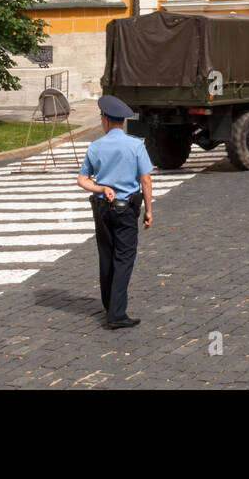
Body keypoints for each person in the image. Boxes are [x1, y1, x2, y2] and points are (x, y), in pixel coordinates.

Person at [77, 94, 154, 330]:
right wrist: (149, 210)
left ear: (105, 120)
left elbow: (82, 180)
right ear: (120, 121)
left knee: (106, 256)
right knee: (124, 259)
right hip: (126, 209)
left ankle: (109, 303)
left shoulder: (95, 146)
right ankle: (117, 314)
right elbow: (146, 180)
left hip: (102, 209)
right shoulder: (135, 145)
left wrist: (101, 187)